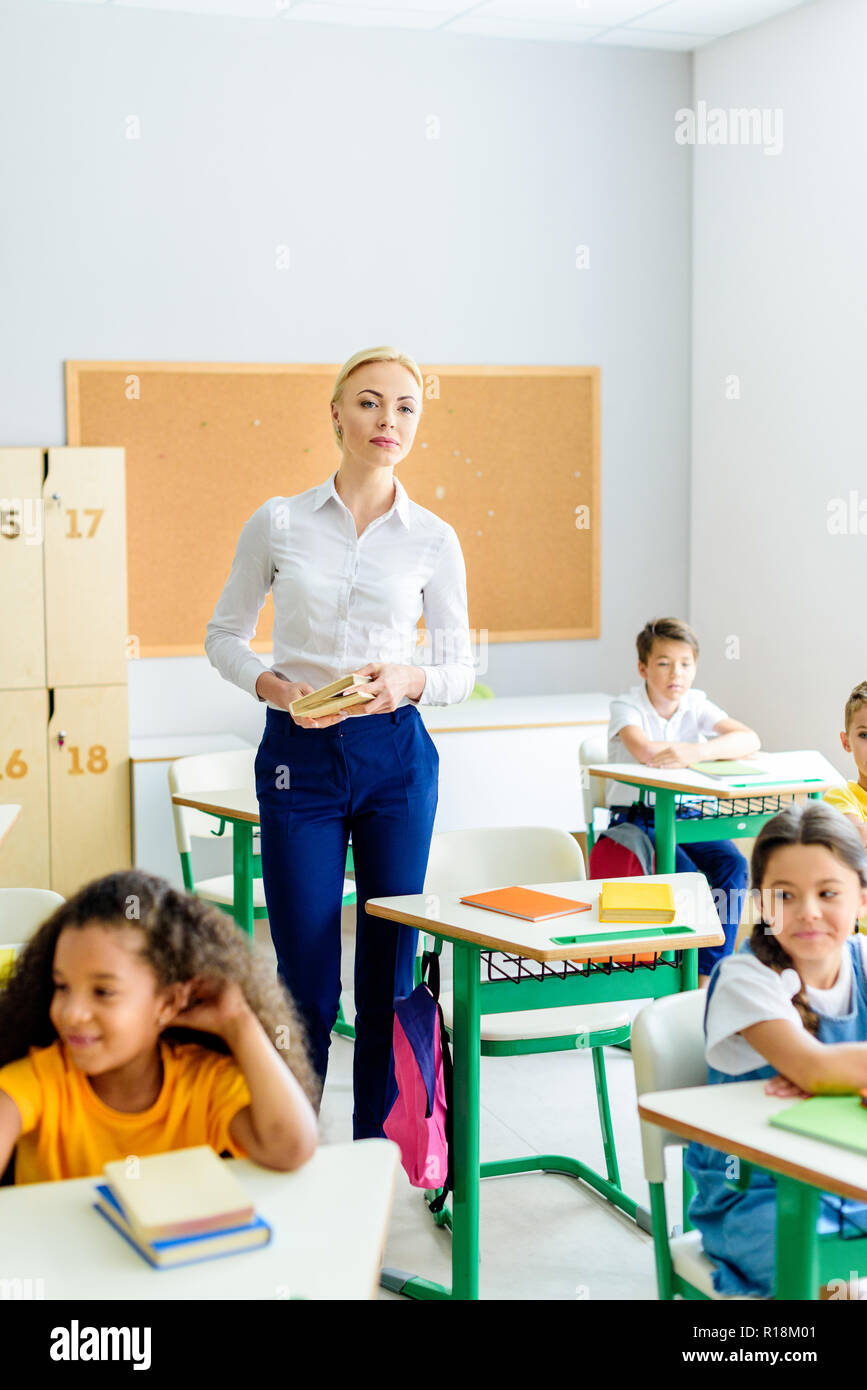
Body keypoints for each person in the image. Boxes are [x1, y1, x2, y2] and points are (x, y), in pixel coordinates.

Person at [205, 345, 474, 1139]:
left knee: (390, 974)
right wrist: (271, 686)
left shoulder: (433, 538)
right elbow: (223, 635)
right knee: (307, 980)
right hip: (299, 757)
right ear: (334, 412)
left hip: (395, 756)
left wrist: (410, 680)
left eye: (404, 407)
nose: (386, 420)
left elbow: (459, 666)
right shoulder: (278, 520)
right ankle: (293, 1149)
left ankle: (369, 1157)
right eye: (368, 402)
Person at [0, 870, 319, 1184]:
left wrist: (238, 1021)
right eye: (62, 986)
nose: (72, 1013)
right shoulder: (40, 1080)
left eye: (103, 992)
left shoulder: (204, 1084)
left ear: (168, 1002)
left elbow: (291, 1149)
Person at [685, 802, 867, 1298]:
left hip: (851, 1179)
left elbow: (821, 1071)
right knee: (835, 1285)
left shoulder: (863, 962)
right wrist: (825, 1076)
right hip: (756, 1196)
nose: (808, 911)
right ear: (761, 903)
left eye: (828, 893)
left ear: (862, 899)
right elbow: (812, 1069)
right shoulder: (746, 977)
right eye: (785, 895)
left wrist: (836, 1075)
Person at [606, 616, 760, 982]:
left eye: (686, 664)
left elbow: (749, 739)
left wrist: (695, 752)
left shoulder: (697, 704)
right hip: (636, 818)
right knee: (689, 879)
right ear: (643, 667)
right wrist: (712, 748)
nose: (676, 673)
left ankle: (709, 975)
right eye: (663, 663)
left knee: (733, 865)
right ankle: (679, 974)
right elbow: (644, 750)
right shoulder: (626, 707)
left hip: (687, 815)